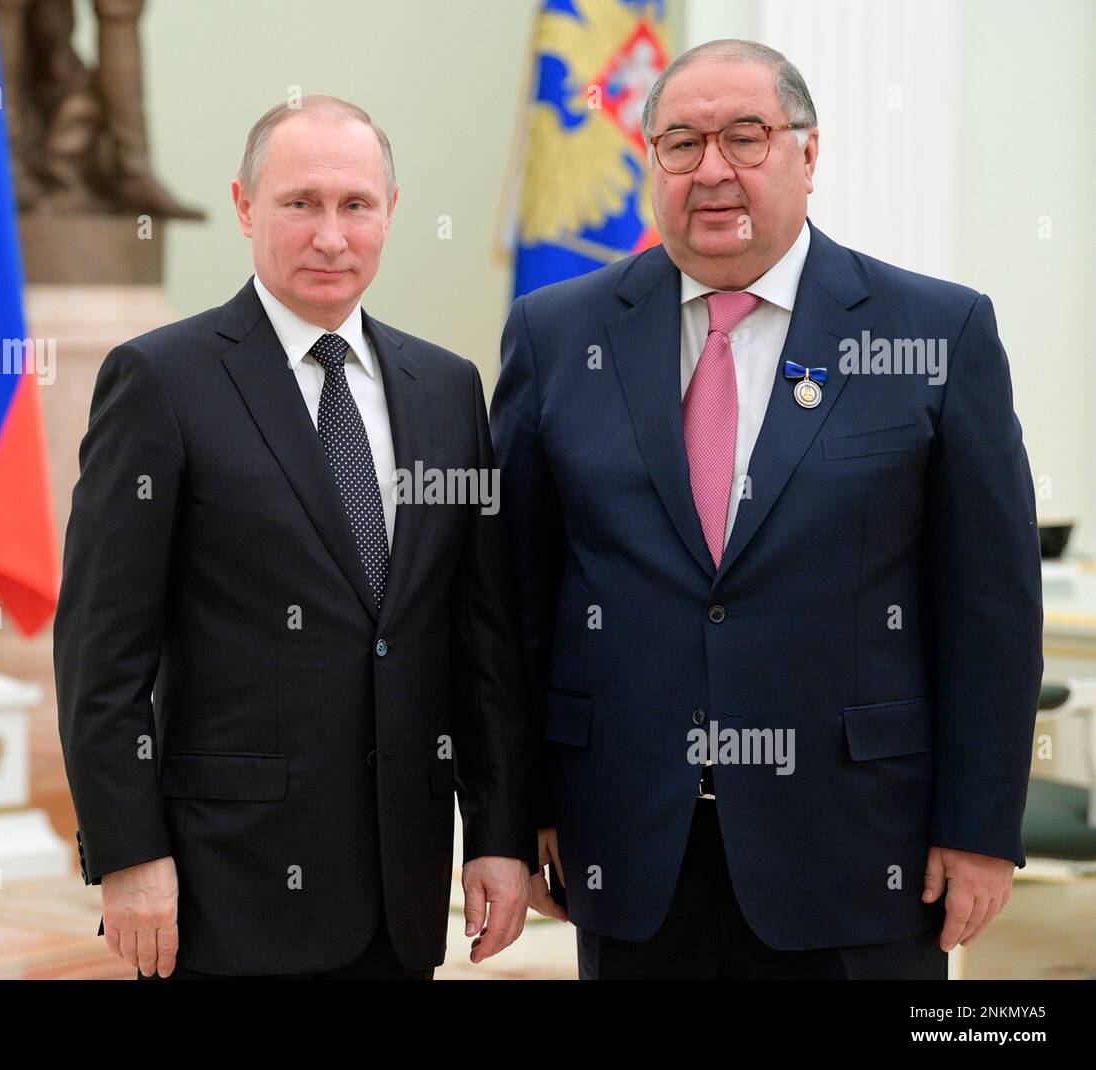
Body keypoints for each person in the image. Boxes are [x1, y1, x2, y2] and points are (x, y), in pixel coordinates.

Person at [491, 39, 1042, 979]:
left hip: (861, 847)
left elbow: (992, 607)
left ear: (808, 155)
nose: (712, 170)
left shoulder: (934, 331)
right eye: (680, 143)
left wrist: (980, 827)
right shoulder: (558, 332)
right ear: (650, 161)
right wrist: (515, 812)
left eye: (746, 138)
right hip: (629, 840)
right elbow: (514, 602)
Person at [56, 95, 536, 980]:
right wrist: (127, 855)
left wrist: (499, 836)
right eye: (300, 203)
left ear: (391, 210)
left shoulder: (447, 388)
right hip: (224, 889)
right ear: (244, 207)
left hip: (400, 889)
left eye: (356, 204)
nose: (331, 235)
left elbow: (482, 644)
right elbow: (100, 649)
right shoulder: (160, 381)